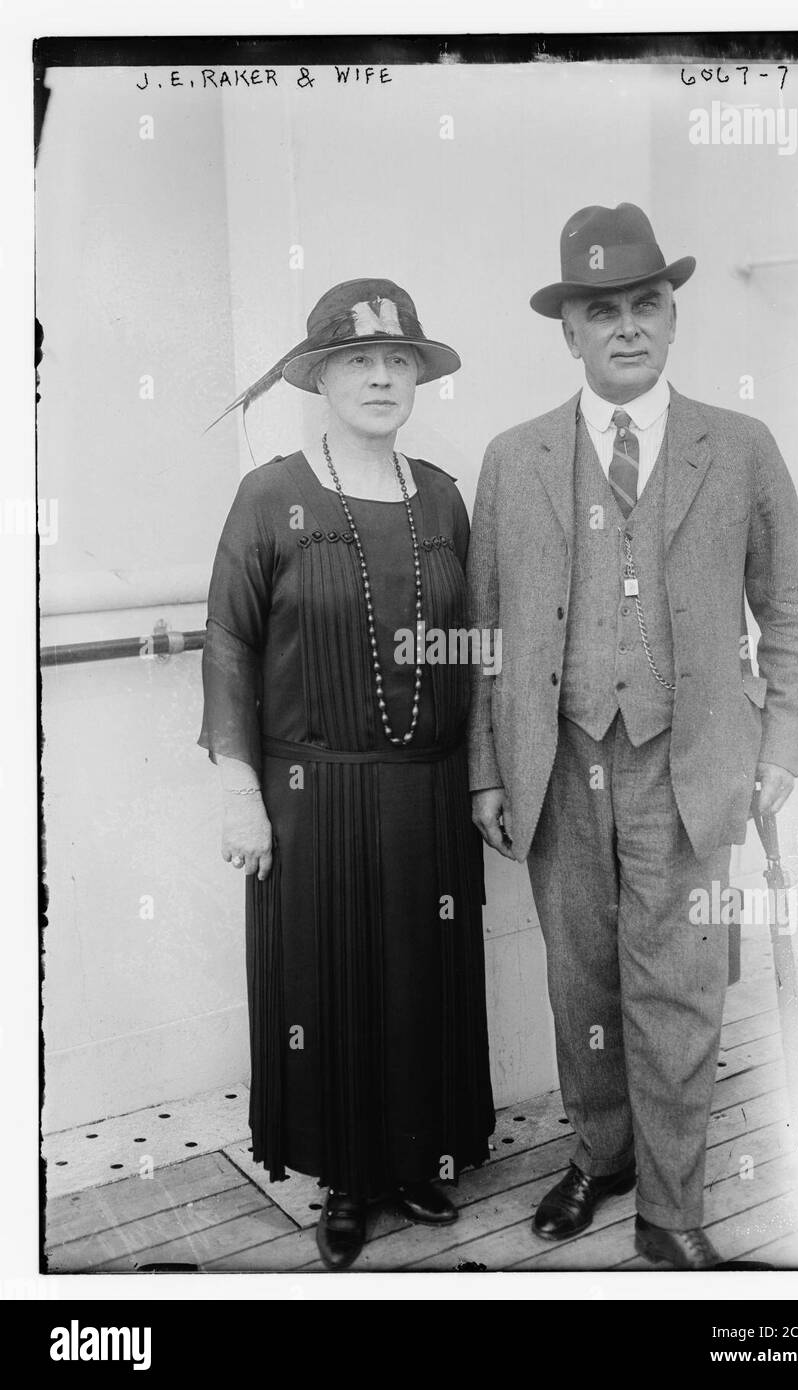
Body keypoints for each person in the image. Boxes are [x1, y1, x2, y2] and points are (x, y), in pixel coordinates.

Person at [466, 204, 798, 1269]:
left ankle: (671, 1211)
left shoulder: (740, 447)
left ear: (671, 316)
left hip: (692, 763)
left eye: (645, 304)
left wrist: (780, 752)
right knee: (581, 980)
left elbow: (791, 616)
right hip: (556, 765)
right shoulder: (513, 456)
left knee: (676, 991)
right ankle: (601, 1153)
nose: (625, 326)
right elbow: (485, 634)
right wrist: (487, 770)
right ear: (566, 330)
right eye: (599, 309)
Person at [199, 279, 495, 1270]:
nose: (380, 376)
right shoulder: (271, 494)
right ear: (319, 377)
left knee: (420, 977)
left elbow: (470, 645)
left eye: (398, 360)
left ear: (417, 377)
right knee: (319, 988)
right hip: (306, 797)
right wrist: (240, 789)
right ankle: (343, 1180)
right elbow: (230, 643)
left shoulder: (445, 496)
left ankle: (414, 1158)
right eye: (359, 361)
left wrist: (480, 774)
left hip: (426, 790)